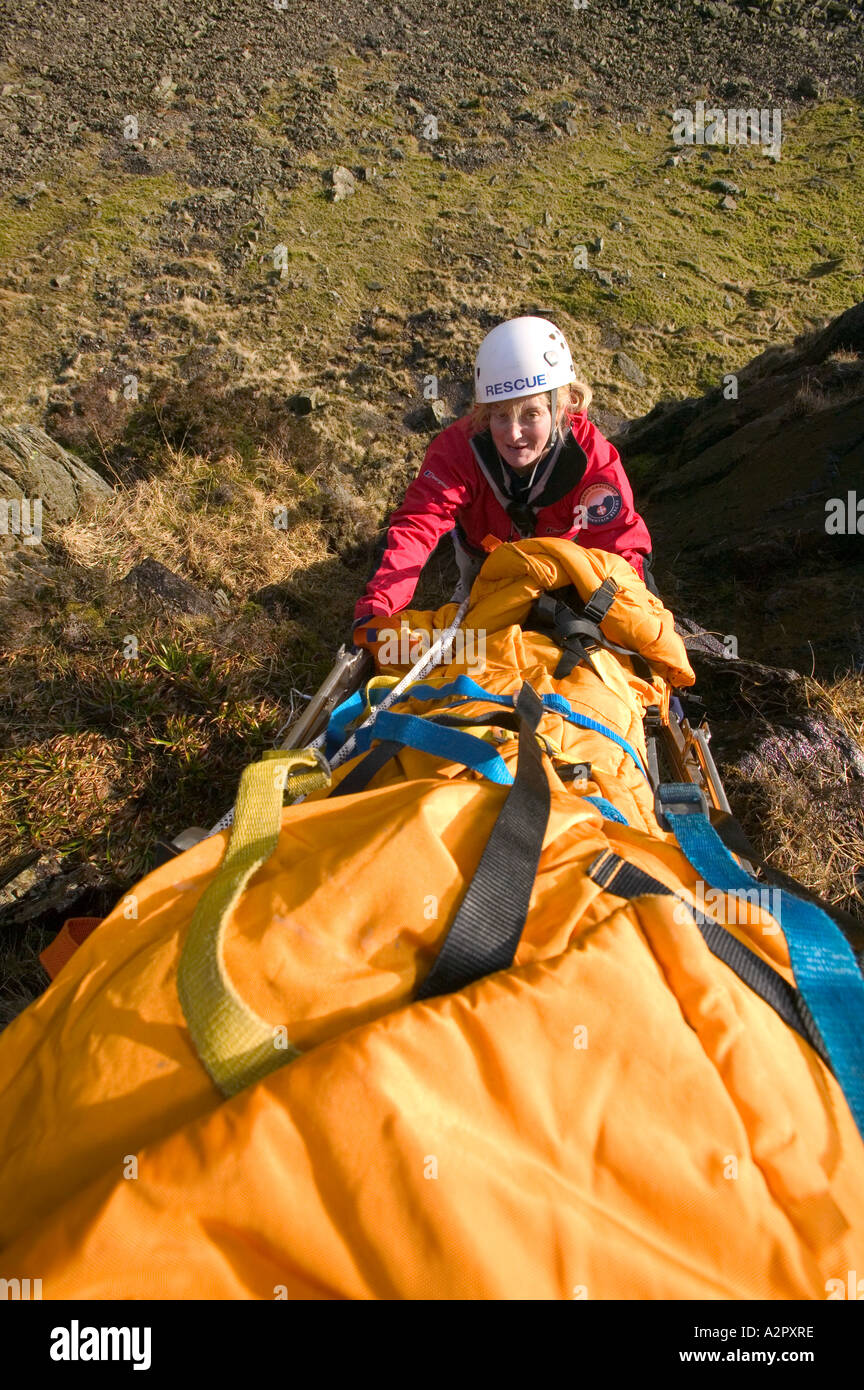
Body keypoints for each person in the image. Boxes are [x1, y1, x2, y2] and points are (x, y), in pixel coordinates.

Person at [351, 316, 659, 652]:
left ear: (562, 406)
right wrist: (376, 612)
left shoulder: (590, 458)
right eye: (500, 415)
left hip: (560, 570)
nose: (514, 435)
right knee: (474, 645)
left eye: (531, 415)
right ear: (485, 413)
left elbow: (623, 546)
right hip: (483, 566)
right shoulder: (458, 450)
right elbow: (416, 527)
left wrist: (641, 627)